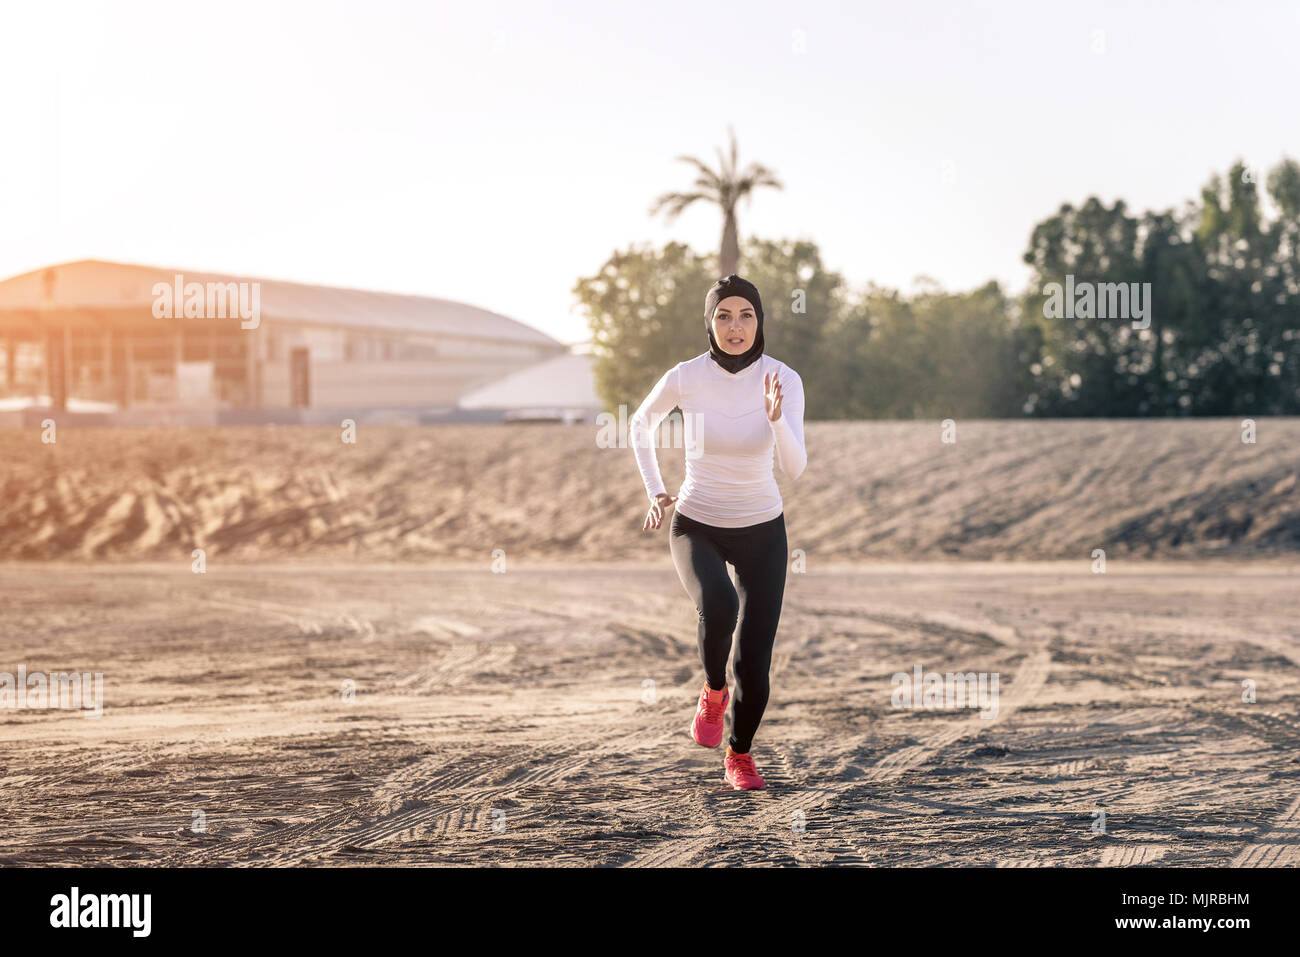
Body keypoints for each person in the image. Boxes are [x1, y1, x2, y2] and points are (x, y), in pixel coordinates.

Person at [629, 274, 807, 790]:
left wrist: (776, 421)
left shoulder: (783, 380)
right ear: (709, 322)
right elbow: (641, 424)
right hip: (696, 523)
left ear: (760, 321)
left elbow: (795, 468)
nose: (735, 326)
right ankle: (712, 691)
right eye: (724, 315)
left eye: (746, 315)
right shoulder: (687, 376)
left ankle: (740, 754)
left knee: (754, 662)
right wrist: (655, 490)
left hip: (762, 532)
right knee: (719, 604)